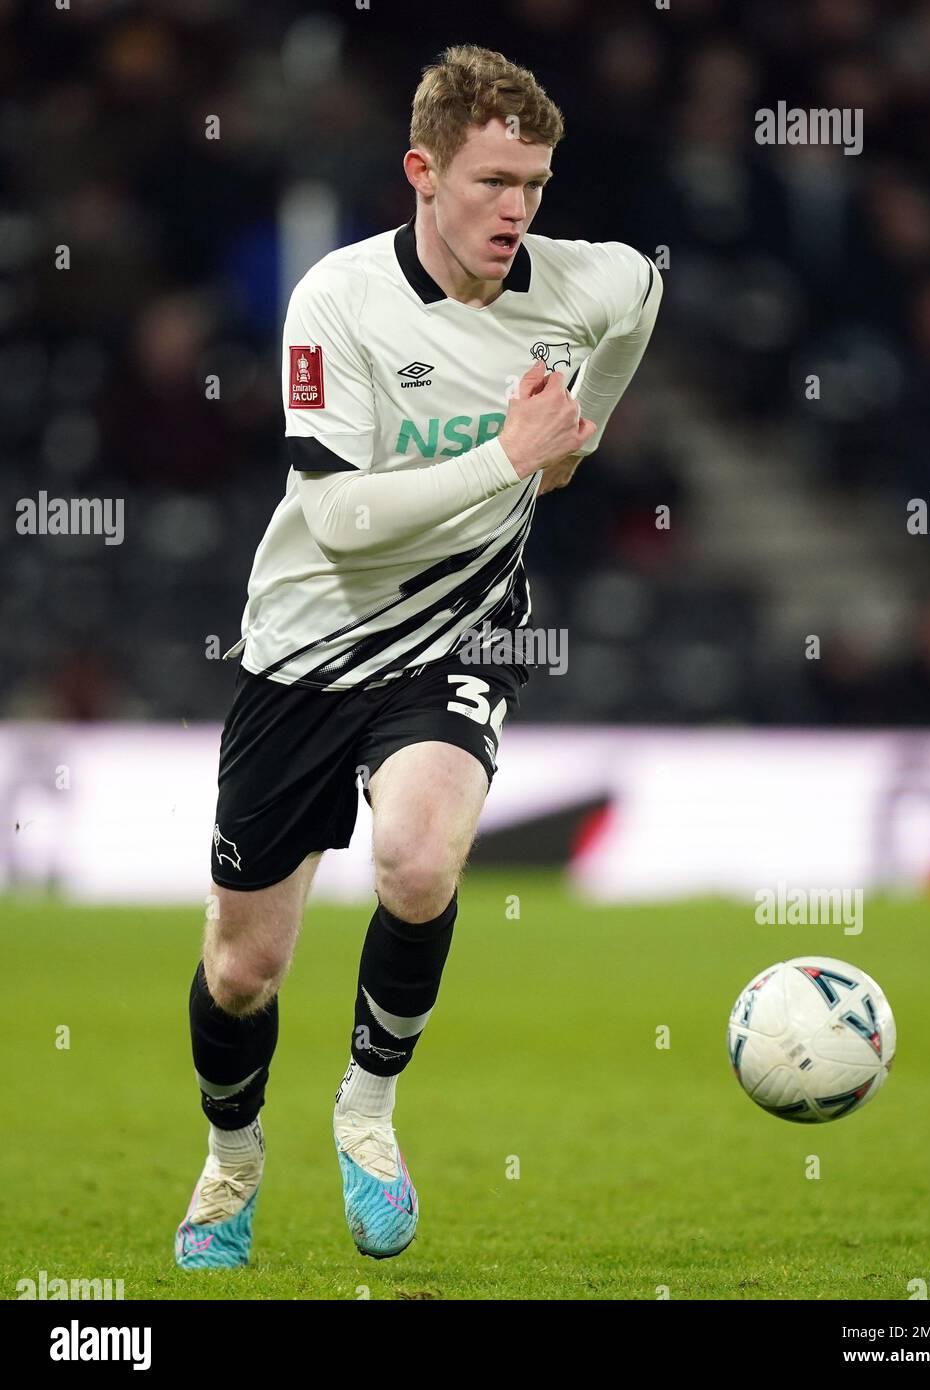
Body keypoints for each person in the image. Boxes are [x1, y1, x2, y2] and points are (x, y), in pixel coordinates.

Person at [175, 43, 661, 1268]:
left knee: (417, 857)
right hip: (303, 645)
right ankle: (232, 1157)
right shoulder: (337, 299)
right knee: (244, 967)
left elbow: (626, 325)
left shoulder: (587, 285)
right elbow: (334, 516)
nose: (516, 209)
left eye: (536, 184)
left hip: (458, 635)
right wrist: (510, 458)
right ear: (421, 169)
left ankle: (369, 1110)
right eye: (493, 180)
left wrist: (572, 437)